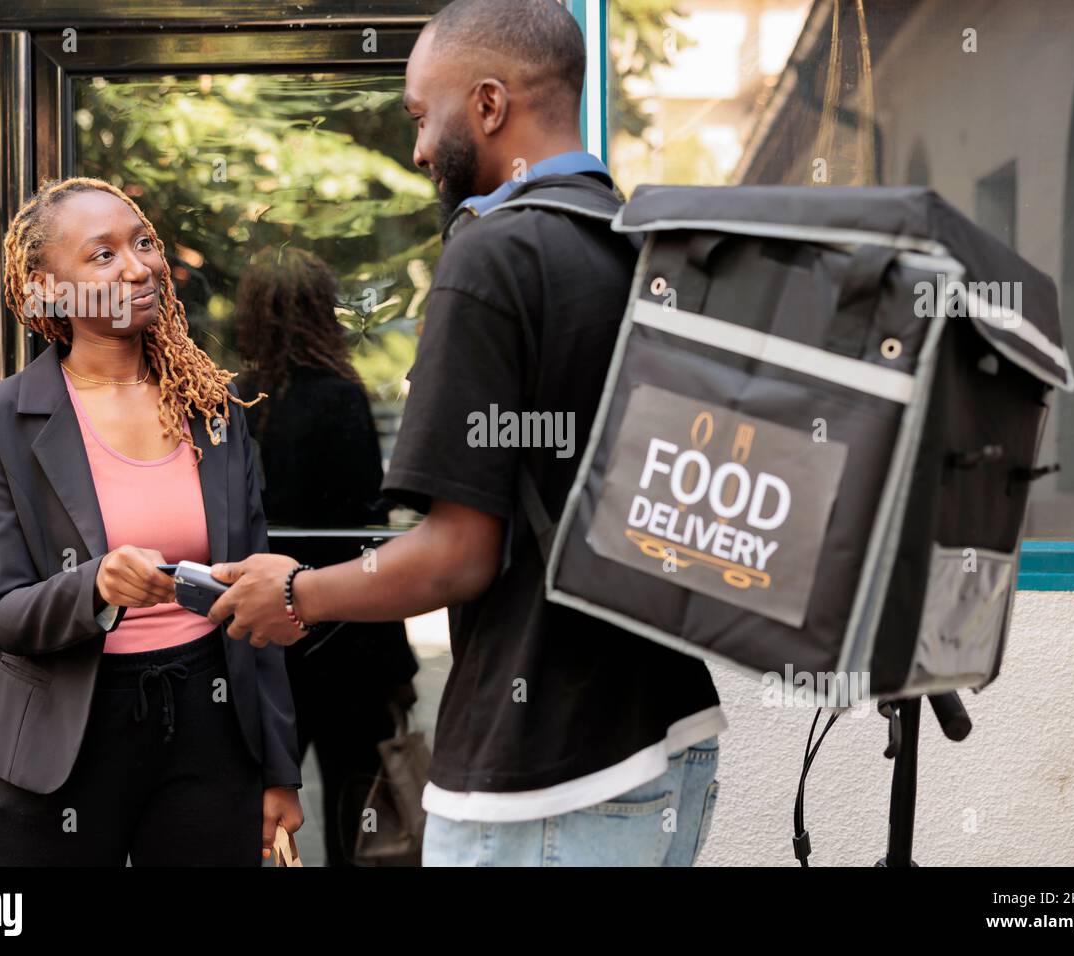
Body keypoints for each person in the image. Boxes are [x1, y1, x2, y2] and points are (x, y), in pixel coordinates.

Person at [207, 0, 726, 867]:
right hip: (670, 735)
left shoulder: (492, 255)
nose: (417, 149)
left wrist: (297, 595)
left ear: (489, 106)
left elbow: (459, 554)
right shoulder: (635, 245)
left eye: (420, 116)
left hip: (546, 777)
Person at [0, 177, 303, 866]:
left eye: (143, 242)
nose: (140, 265)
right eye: (104, 255)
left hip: (209, 731)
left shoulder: (215, 411)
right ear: (49, 290)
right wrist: (94, 585)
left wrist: (280, 769)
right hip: (59, 746)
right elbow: (0, 613)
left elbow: (257, 608)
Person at [235, 246, 420, 866]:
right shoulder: (341, 395)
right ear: (322, 310)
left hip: (264, 643)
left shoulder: (238, 401)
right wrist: (399, 666)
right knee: (357, 820)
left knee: (260, 819)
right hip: (349, 644)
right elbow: (369, 533)